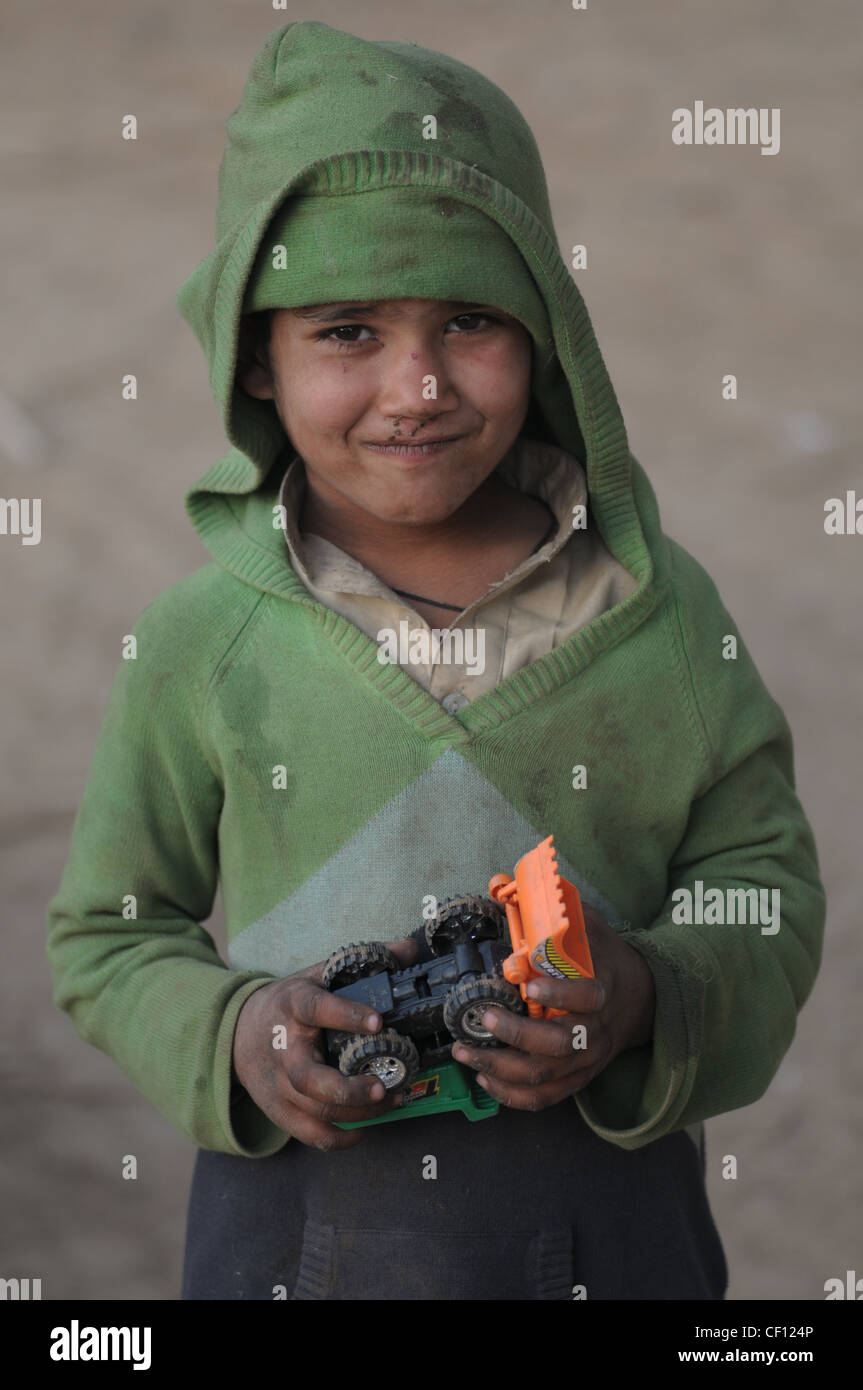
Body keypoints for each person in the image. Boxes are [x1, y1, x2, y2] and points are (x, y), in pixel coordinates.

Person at [45, 20, 825, 1301]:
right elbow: (106, 934)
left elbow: (761, 887)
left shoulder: (656, 614)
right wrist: (240, 1031)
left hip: (612, 1242)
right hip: (291, 1250)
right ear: (254, 353)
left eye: (469, 320)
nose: (417, 387)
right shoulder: (204, 643)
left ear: (547, 334)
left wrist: (637, 997)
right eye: (346, 330)